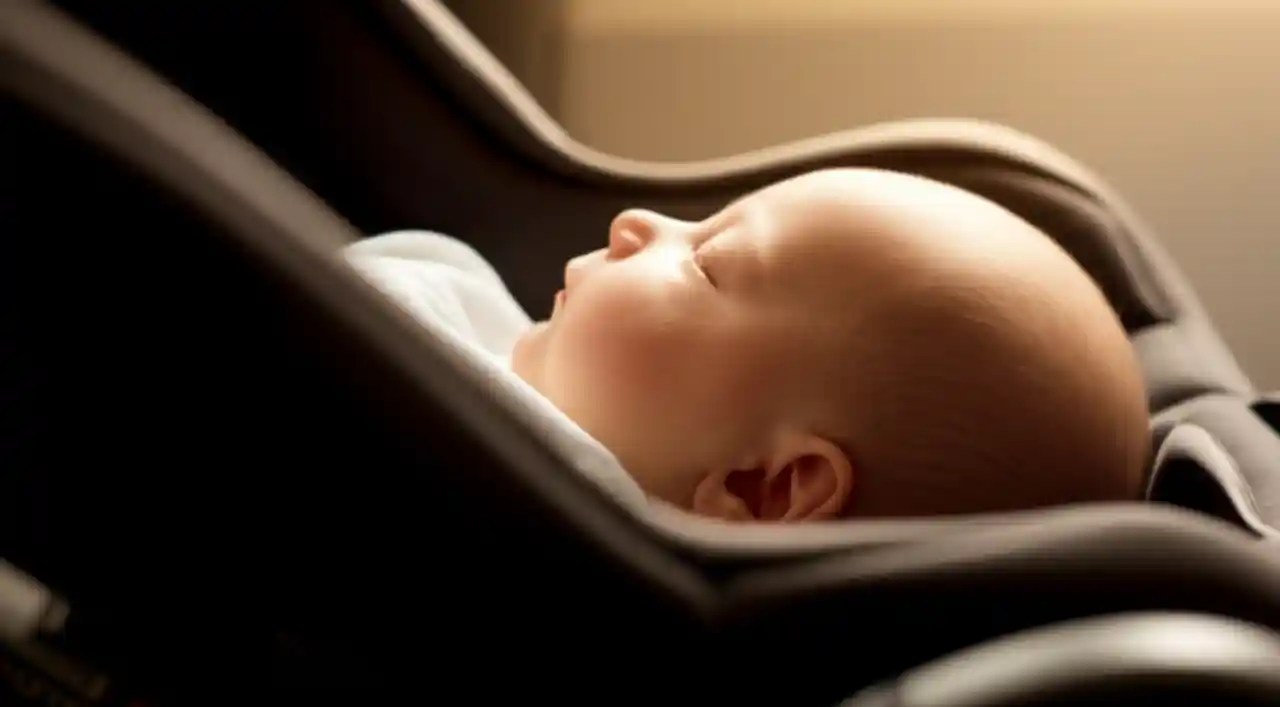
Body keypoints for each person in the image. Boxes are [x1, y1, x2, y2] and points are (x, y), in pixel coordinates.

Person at [346, 168, 1150, 523]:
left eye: (705, 262)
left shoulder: (500, 497)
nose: (636, 225)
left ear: (764, 490)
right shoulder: (499, 349)